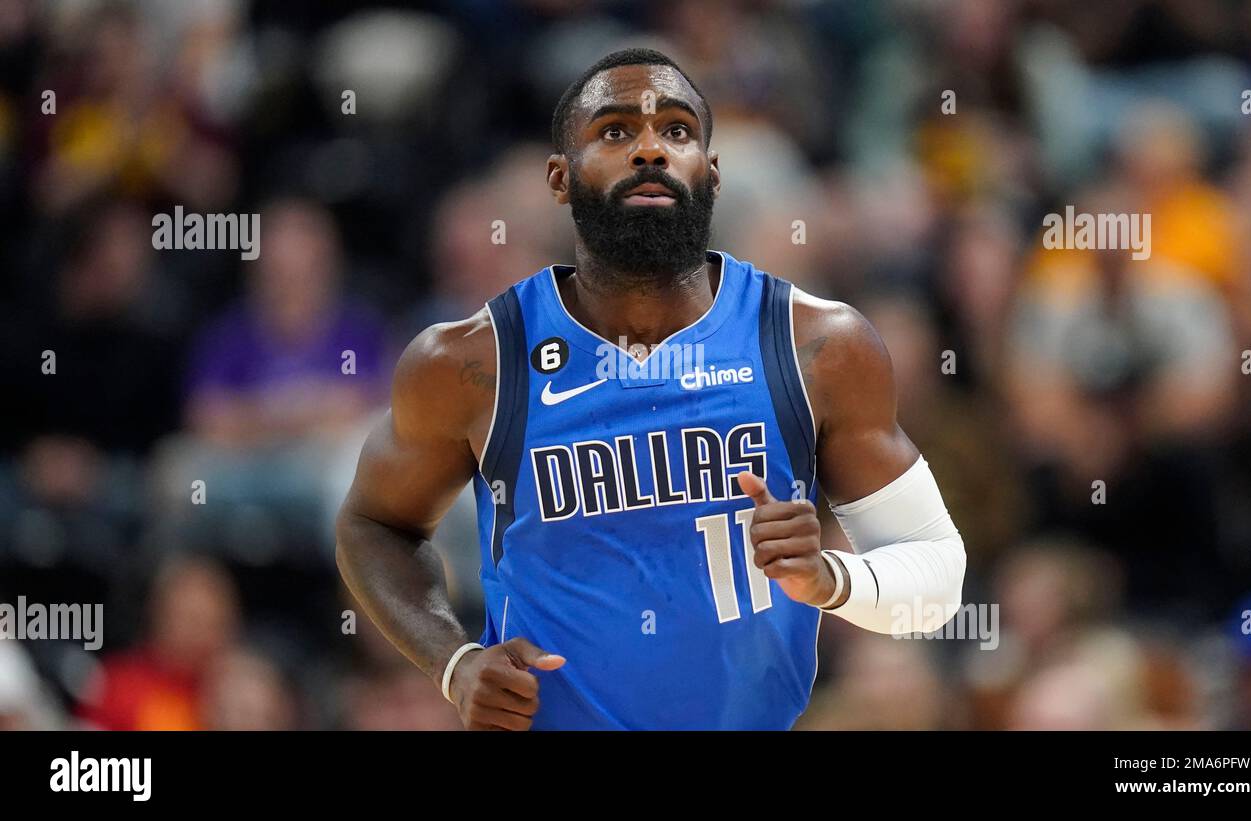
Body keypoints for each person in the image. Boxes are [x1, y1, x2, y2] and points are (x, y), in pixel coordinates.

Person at [336, 48, 967, 730]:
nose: (649, 151)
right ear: (559, 177)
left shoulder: (816, 344)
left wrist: (831, 578)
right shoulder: (473, 359)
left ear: (713, 172)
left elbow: (937, 578)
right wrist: (453, 662)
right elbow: (373, 524)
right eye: (613, 132)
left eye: (676, 131)